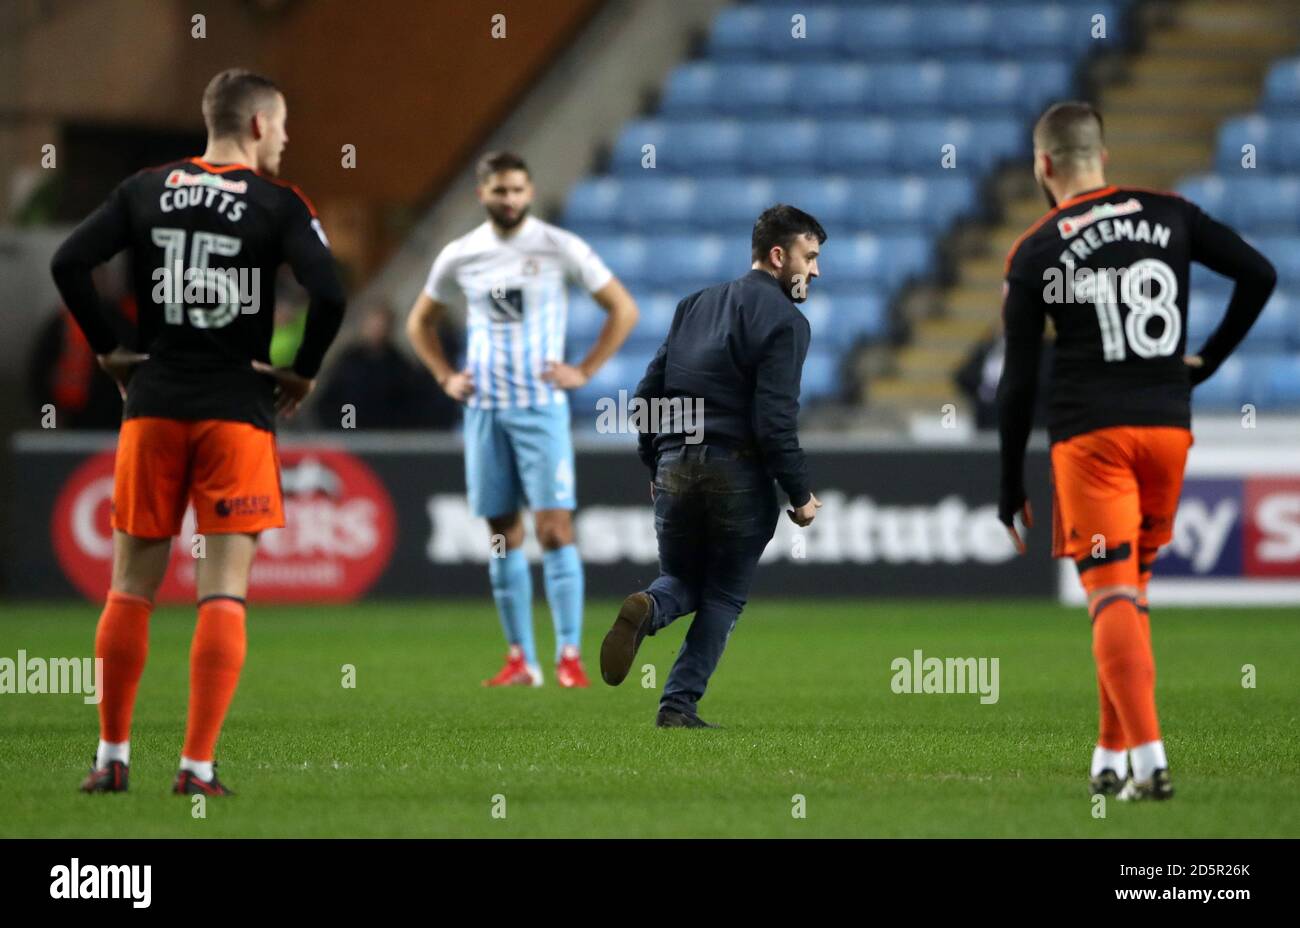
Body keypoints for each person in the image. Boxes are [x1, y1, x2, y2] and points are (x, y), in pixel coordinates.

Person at [50, 67, 346, 796]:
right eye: (280, 125)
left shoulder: (145, 188)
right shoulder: (277, 202)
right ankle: (195, 768)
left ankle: (112, 758)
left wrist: (108, 347)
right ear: (255, 125)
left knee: (129, 590)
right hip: (236, 412)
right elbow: (330, 293)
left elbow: (69, 262)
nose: (284, 138)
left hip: (151, 405)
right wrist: (302, 370)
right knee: (223, 593)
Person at [997, 101, 1276, 800]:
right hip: (1168, 430)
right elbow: (1260, 274)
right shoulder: (1171, 214)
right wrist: (1207, 362)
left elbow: (1019, 381)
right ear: (1104, 158)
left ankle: (1151, 763)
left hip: (1092, 437)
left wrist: (1008, 483)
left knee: (1110, 591)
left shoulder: (1036, 249)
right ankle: (1110, 755)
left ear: (1044, 166)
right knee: (1127, 593)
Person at [406, 151, 639, 688]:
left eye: (516, 190)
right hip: (485, 411)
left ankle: (569, 656)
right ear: (481, 194)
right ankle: (520, 660)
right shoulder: (461, 255)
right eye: (498, 191)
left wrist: (584, 370)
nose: (508, 199)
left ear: (529, 193)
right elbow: (420, 322)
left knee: (554, 530)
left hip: (540, 408)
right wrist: (445, 375)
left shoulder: (558, 247)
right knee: (500, 534)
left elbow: (622, 308)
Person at [600, 204, 825, 728]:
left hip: (676, 466)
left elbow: (645, 398)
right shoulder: (787, 323)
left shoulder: (692, 306)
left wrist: (656, 464)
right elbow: (774, 422)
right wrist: (800, 494)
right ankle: (678, 706)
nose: (815, 270)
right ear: (778, 255)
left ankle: (650, 609)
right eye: (809, 257)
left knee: (681, 577)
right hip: (737, 474)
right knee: (723, 592)